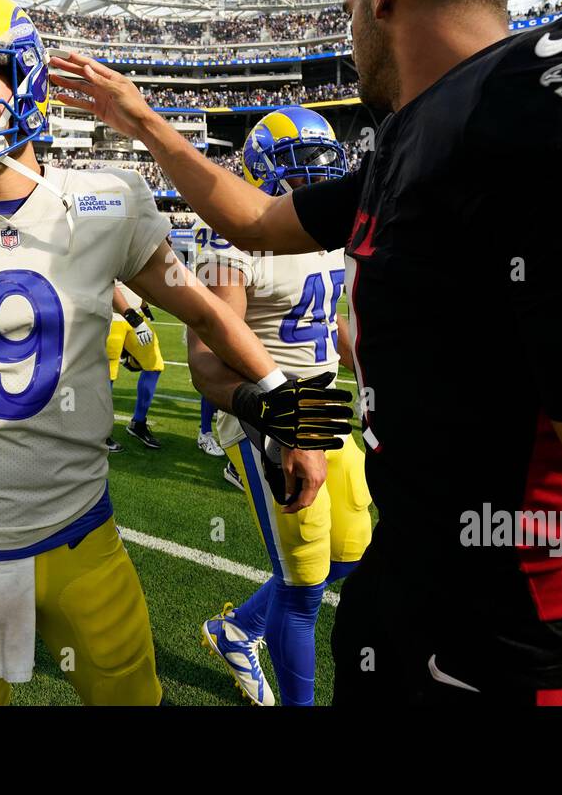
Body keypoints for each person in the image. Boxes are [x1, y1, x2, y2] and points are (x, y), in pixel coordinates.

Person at [49, 0, 562, 705]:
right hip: (412, 597)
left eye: (346, 13)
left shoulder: (535, 113)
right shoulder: (413, 144)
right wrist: (146, 123)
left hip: (514, 646)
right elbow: (258, 222)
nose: (350, 38)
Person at [0, 0, 351, 707]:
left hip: (79, 540)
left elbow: (207, 317)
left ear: (23, 79)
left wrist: (299, 420)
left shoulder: (106, 198)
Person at [191, 107, 371, 707]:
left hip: (326, 406)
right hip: (271, 413)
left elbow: (330, 325)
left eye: (324, 174)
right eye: (301, 176)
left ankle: (238, 627)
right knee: (303, 591)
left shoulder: (324, 230)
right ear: (264, 176)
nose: (317, 189)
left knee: (348, 557)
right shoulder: (232, 237)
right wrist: (279, 419)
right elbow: (209, 358)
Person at [106, 281, 164, 448]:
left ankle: (138, 423)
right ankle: (100, 432)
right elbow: (109, 283)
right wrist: (133, 317)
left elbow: (137, 279)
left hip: (136, 315)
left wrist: (144, 306)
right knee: (107, 375)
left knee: (154, 365)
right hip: (113, 316)